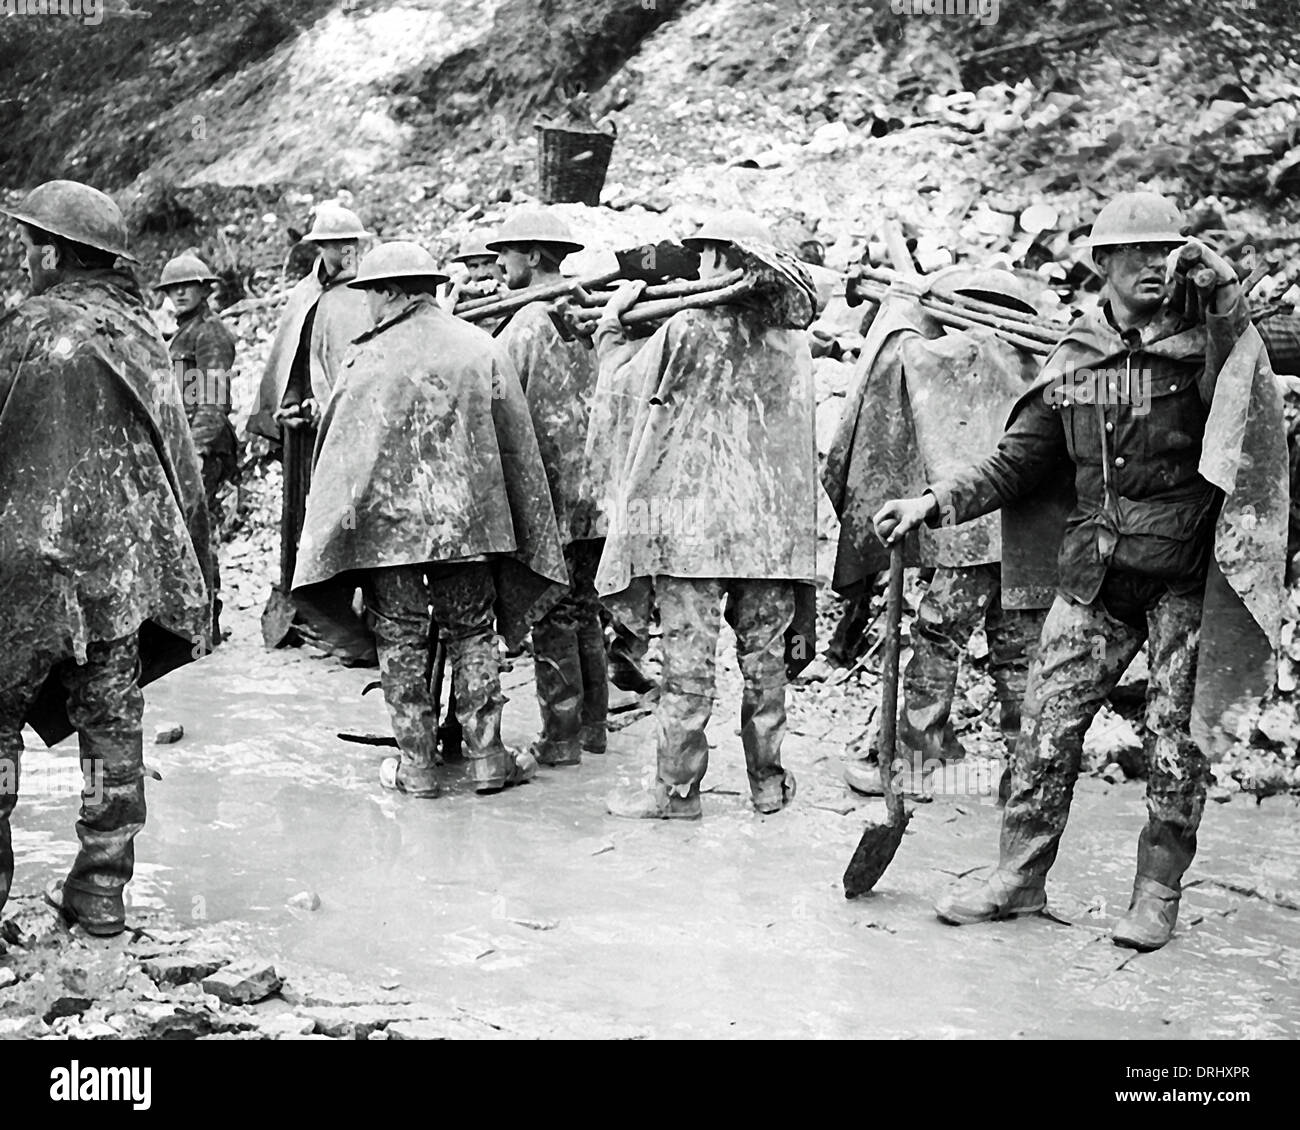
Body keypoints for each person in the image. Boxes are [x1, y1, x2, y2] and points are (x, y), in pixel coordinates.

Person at [874, 191, 1288, 951]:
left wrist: (1227, 302)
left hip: (1181, 581)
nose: (1152, 268)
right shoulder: (1082, 357)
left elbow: (1242, 403)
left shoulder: (1207, 351)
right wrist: (932, 501)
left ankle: (1156, 892)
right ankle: (1019, 875)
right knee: (1043, 729)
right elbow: (1022, 459)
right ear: (1102, 264)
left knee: (1176, 743)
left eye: (1164, 253)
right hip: (1093, 576)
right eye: (1133, 255)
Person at [0, 181, 211, 935]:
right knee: (111, 731)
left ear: (53, 253)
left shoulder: (24, 328)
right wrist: (196, 571)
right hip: (118, 576)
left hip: (20, 575)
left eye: (29, 249)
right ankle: (98, 892)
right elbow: (180, 457)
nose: (26, 263)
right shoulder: (143, 334)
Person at [292, 242, 567, 797]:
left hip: (387, 538)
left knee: (401, 638)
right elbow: (517, 450)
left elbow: (339, 459)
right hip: (468, 530)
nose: (367, 307)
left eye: (370, 294)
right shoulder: (480, 348)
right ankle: (487, 757)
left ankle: (416, 767)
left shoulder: (364, 361)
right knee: (473, 634)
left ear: (391, 291)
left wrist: (336, 537)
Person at [599, 210, 818, 819]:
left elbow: (625, 396)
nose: (697, 266)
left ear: (725, 260)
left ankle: (676, 792)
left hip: (692, 533)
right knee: (764, 663)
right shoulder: (793, 345)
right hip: (770, 534)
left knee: (688, 666)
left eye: (705, 255)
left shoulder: (688, 328)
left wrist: (613, 330)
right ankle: (768, 786)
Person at [823, 265, 1051, 801]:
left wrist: (904, 300)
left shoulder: (961, 353)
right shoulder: (1039, 362)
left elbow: (903, 349)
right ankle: (1027, 776)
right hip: (1023, 535)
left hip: (970, 531)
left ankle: (915, 761)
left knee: (938, 637)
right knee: (1018, 652)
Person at [489, 209, 610, 766]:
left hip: (551, 495)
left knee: (552, 612)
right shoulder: (590, 311)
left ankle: (560, 738)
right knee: (585, 609)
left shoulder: (524, 326)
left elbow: (496, 412)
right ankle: (592, 729)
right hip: (598, 497)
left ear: (533, 256)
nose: (496, 264)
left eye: (505, 254)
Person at [246, 202, 374, 658]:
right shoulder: (303, 294)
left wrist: (334, 406)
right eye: (337, 246)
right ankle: (304, 609)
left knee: (349, 515)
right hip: (302, 430)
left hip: (347, 428)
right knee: (301, 518)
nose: (346, 253)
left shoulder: (364, 296)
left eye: (351, 244)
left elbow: (363, 364)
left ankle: (354, 621)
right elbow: (291, 359)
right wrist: (286, 408)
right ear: (320, 248)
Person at [157, 252, 238, 643]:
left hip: (204, 449)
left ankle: (206, 625)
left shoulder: (210, 333)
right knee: (187, 533)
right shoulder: (184, 333)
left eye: (188, 285)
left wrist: (198, 453)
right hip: (184, 449)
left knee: (195, 534)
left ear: (205, 289)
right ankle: (197, 624)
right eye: (173, 287)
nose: (180, 293)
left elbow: (213, 400)